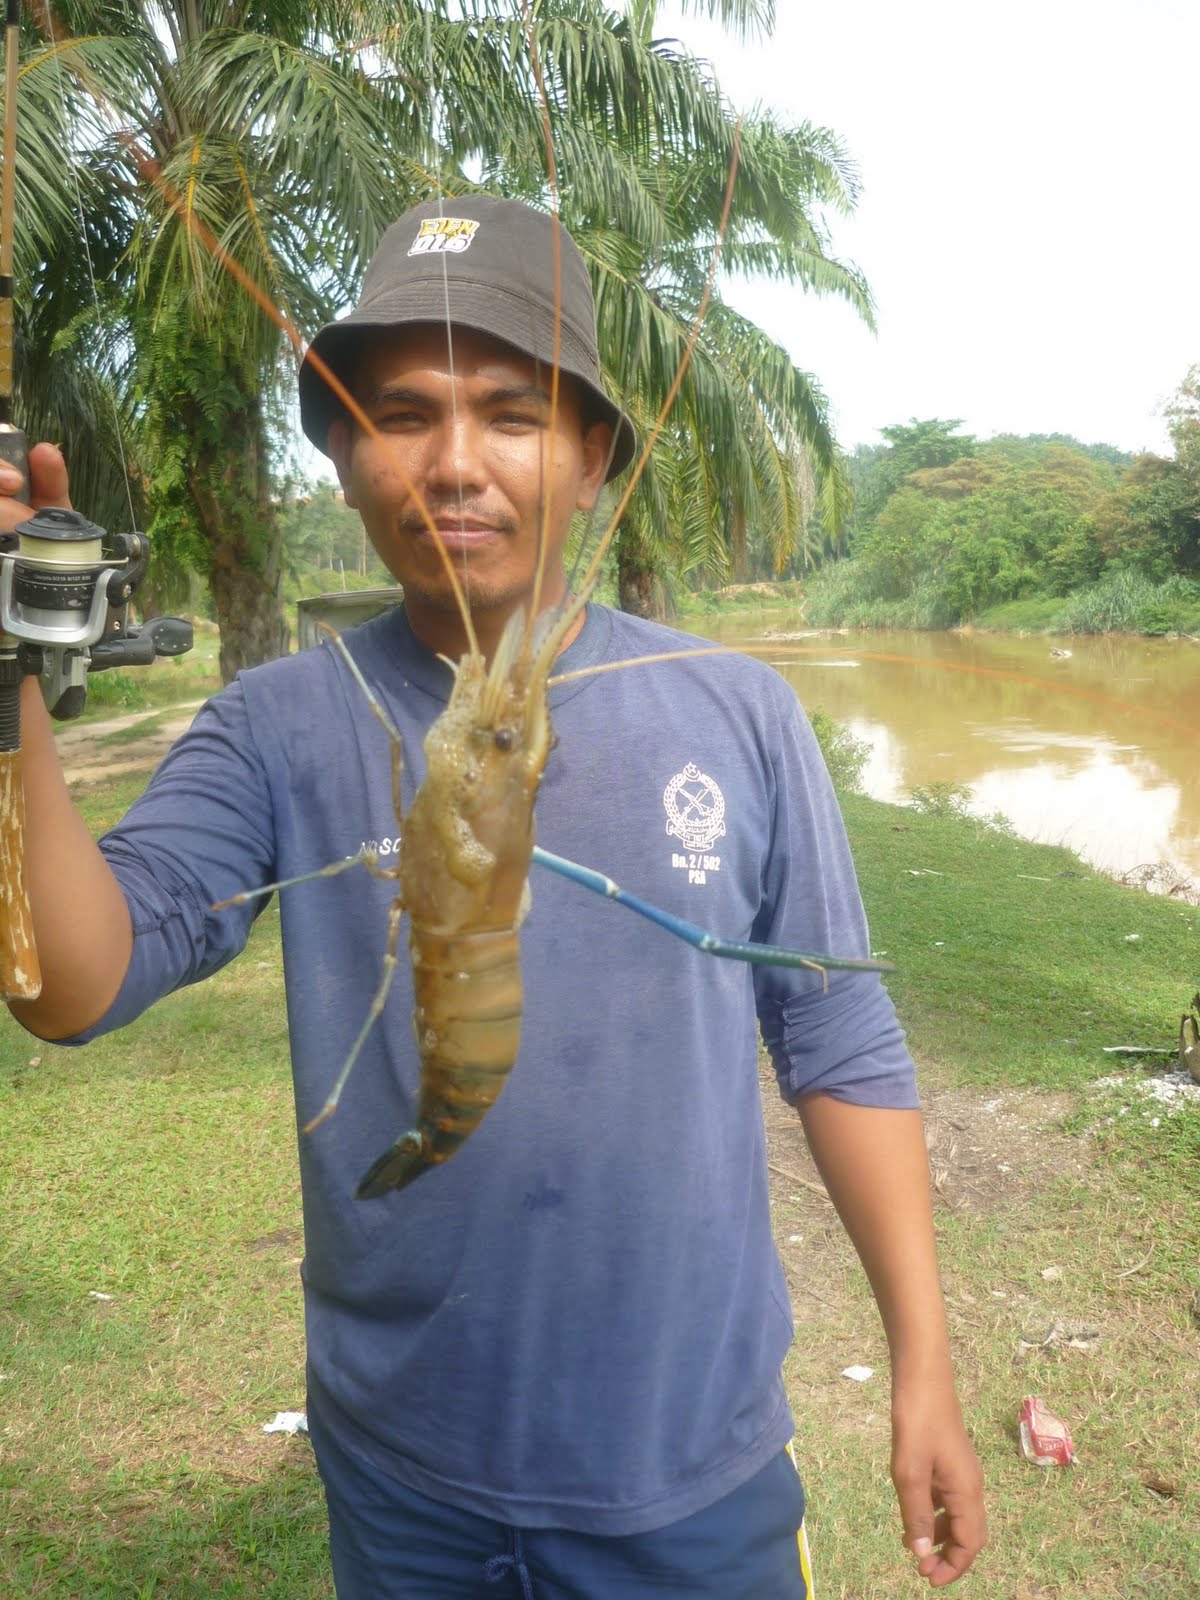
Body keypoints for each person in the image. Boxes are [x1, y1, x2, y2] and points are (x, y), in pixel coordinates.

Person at [6, 194, 986, 1597]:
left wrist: (924, 1368)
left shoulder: (738, 712)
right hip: (405, 1475)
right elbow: (70, 982)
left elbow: (840, 1042)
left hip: (688, 1471)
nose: (455, 463)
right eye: (400, 413)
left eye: (513, 414)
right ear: (342, 455)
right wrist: (8, 695)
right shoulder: (280, 722)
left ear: (592, 456)